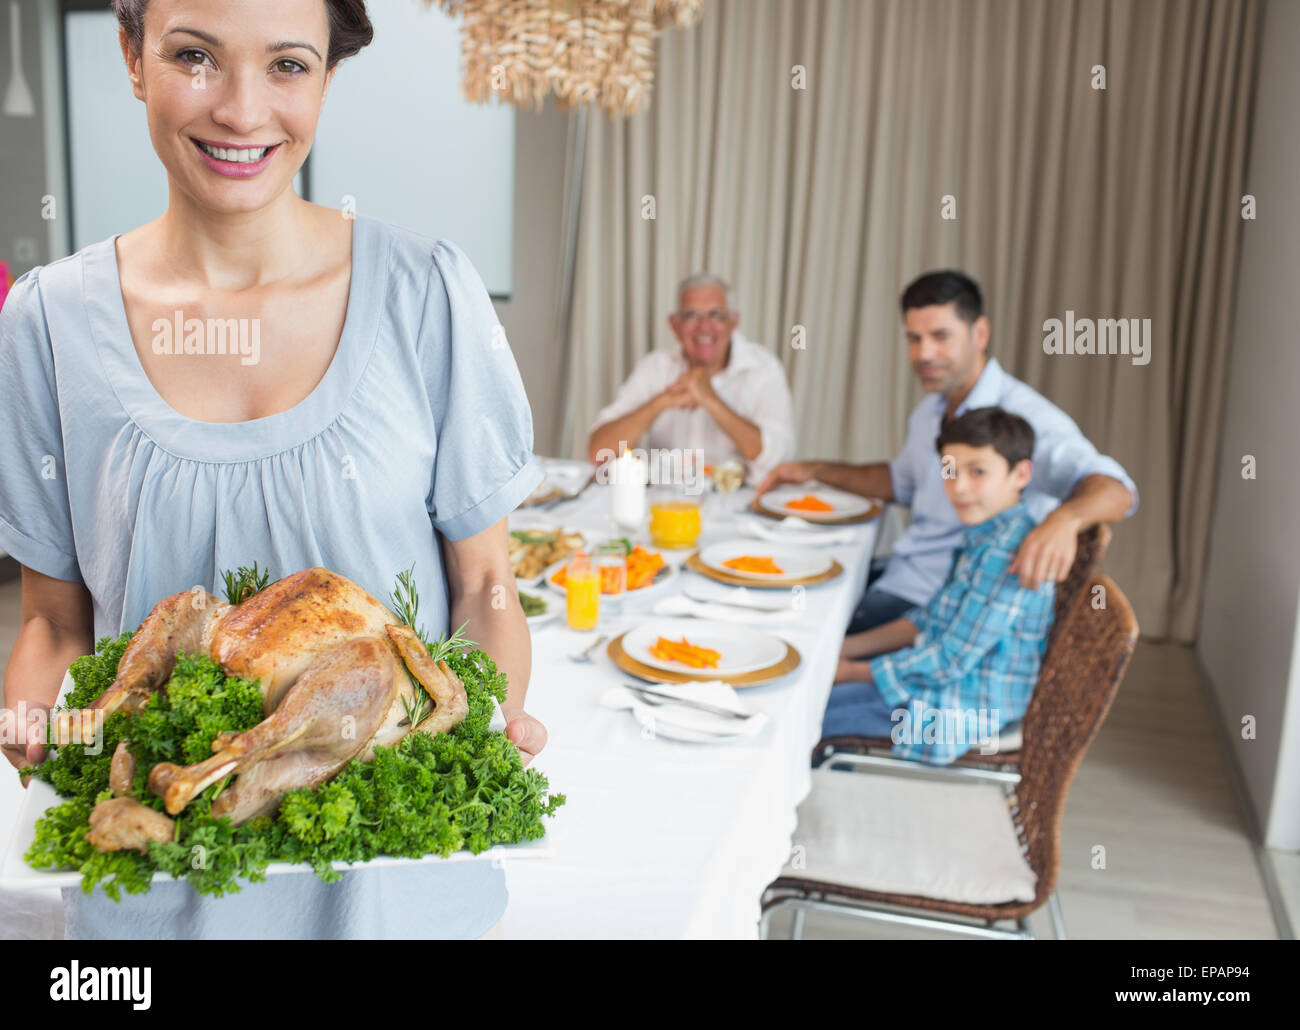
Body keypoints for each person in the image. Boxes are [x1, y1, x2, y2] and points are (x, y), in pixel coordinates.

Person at [0, 0, 546, 939]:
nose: (242, 110)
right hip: (161, 896)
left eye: (288, 65)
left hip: (397, 898)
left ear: (329, 76)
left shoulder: (426, 294)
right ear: (133, 57)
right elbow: (53, 624)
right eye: (196, 56)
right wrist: (32, 729)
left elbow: (488, 584)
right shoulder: (48, 324)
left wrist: (483, 723)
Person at [757, 269, 1137, 633]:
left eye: (941, 336)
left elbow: (1118, 491)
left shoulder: (1025, 417)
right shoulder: (930, 411)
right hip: (905, 570)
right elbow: (901, 482)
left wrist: (1065, 521)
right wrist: (815, 470)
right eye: (914, 339)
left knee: (793, 627)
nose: (925, 354)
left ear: (980, 332)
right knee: (779, 583)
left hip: (940, 603)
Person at [823, 407, 1055, 764]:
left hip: (961, 709)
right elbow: (929, 619)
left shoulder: (1009, 553)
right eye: (950, 471)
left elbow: (949, 659)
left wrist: (848, 670)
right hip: (942, 684)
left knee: (813, 714)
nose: (959, 487)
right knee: (821, 688)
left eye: (977, 471)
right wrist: (844, 648)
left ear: (1020, 474)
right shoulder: (986, 533)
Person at [586, 274, 796, 485]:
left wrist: (711, 400)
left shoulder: (764, 369)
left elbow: (778, 462)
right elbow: (599, 452)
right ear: (674, 325)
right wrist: (663, 401)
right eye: (691, 315)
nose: (704, 326)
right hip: (666, 500)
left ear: (734, 322)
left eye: (716, 315)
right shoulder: (655, 367)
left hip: (739, 503)